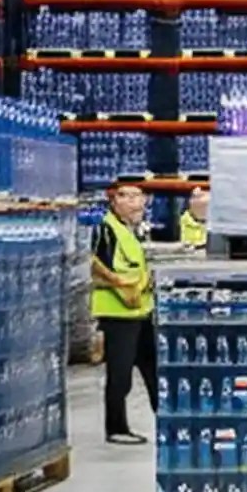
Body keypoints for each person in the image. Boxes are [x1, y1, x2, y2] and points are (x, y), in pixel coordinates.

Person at [91, 184, 156, 445]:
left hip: (141, 310)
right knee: (120, 374)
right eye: (127, 197)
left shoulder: (134, 230)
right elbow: (94, 265)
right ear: (114, 201)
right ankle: (116, 427)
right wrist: (122, 288)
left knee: (153, 368)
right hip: (118, 313)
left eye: (138, 196)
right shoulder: (106, 229)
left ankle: (166, 418)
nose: (135, 203)